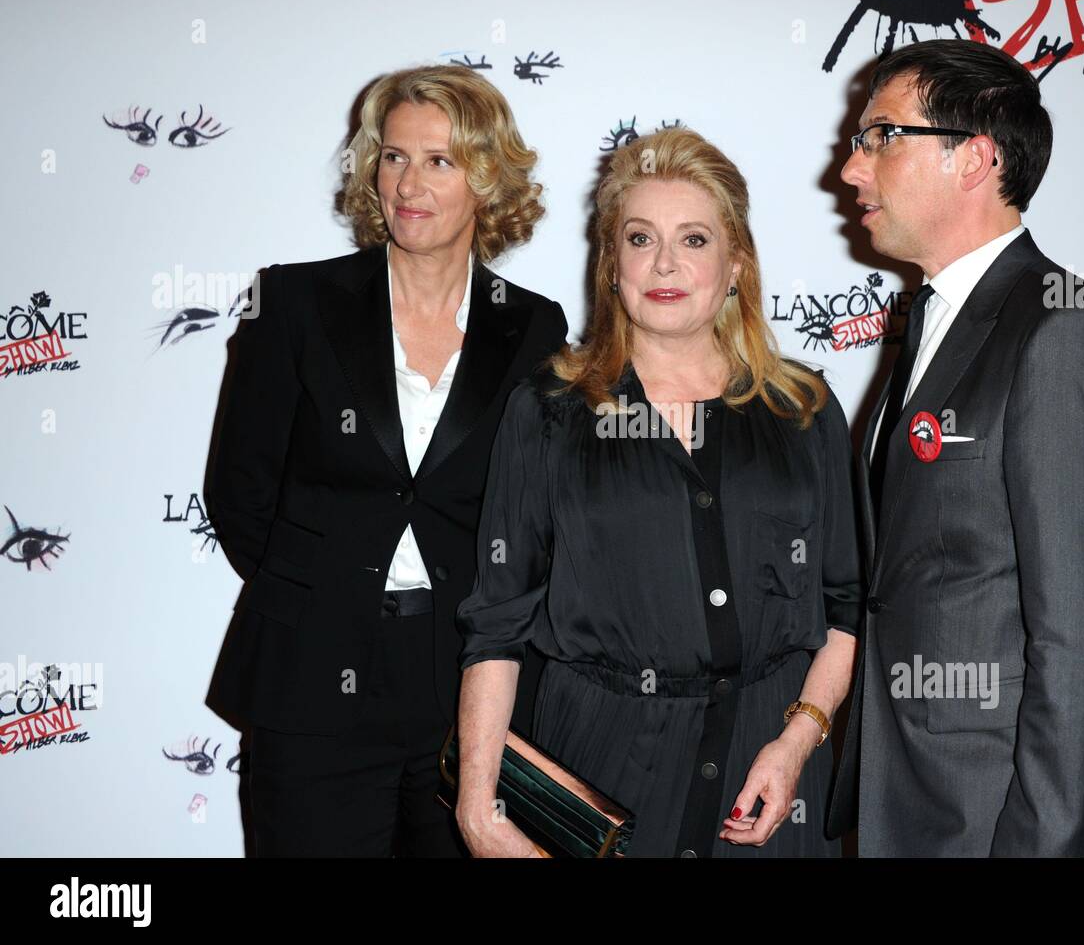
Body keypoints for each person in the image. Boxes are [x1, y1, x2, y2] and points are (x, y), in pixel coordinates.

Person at [453, 127, 862, 858]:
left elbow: (846, 607)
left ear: (736, 264)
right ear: (612, 265)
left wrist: (797, 743)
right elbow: (497, 623)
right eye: (640, 239)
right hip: (603, 774)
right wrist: (478, 805)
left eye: (695, 239)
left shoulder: (803, 411)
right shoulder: (548, 411)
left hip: (766, 777)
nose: (666, 263)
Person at [204, 65, 568, 857]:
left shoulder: (534, 328)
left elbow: (537, 514)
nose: (409, 182)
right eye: (394, 156)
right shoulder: (296, 303)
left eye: (440, 160)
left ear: (487, 179)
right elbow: (240, 493)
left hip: (469, 683)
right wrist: (319, 594)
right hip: (313, 679)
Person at [826, 39, 1084, 856]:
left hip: (1002, 818)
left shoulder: (1061, 333)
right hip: (914, 801)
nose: (851, 171)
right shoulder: (936, 321)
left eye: (879, 137)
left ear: (972, 158)